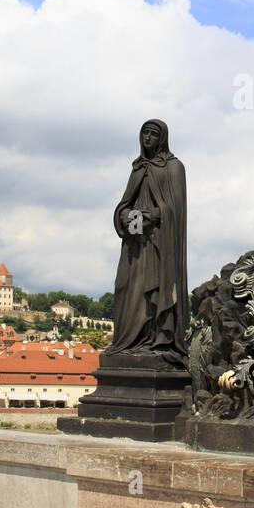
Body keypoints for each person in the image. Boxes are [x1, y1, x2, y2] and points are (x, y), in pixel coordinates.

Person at [106, 119, 188, 357]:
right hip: (134, 240)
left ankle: (156, 339)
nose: (147, 138)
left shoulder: (174, 167)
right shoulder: (138, 168)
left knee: (152, 289)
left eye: (153, 134)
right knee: (124, 286)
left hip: (159, 243)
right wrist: (125, 216)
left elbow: (177, 210)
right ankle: (127, 342)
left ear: (162, 138)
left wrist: (153, 215)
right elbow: (124, 203)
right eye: (144, 133)